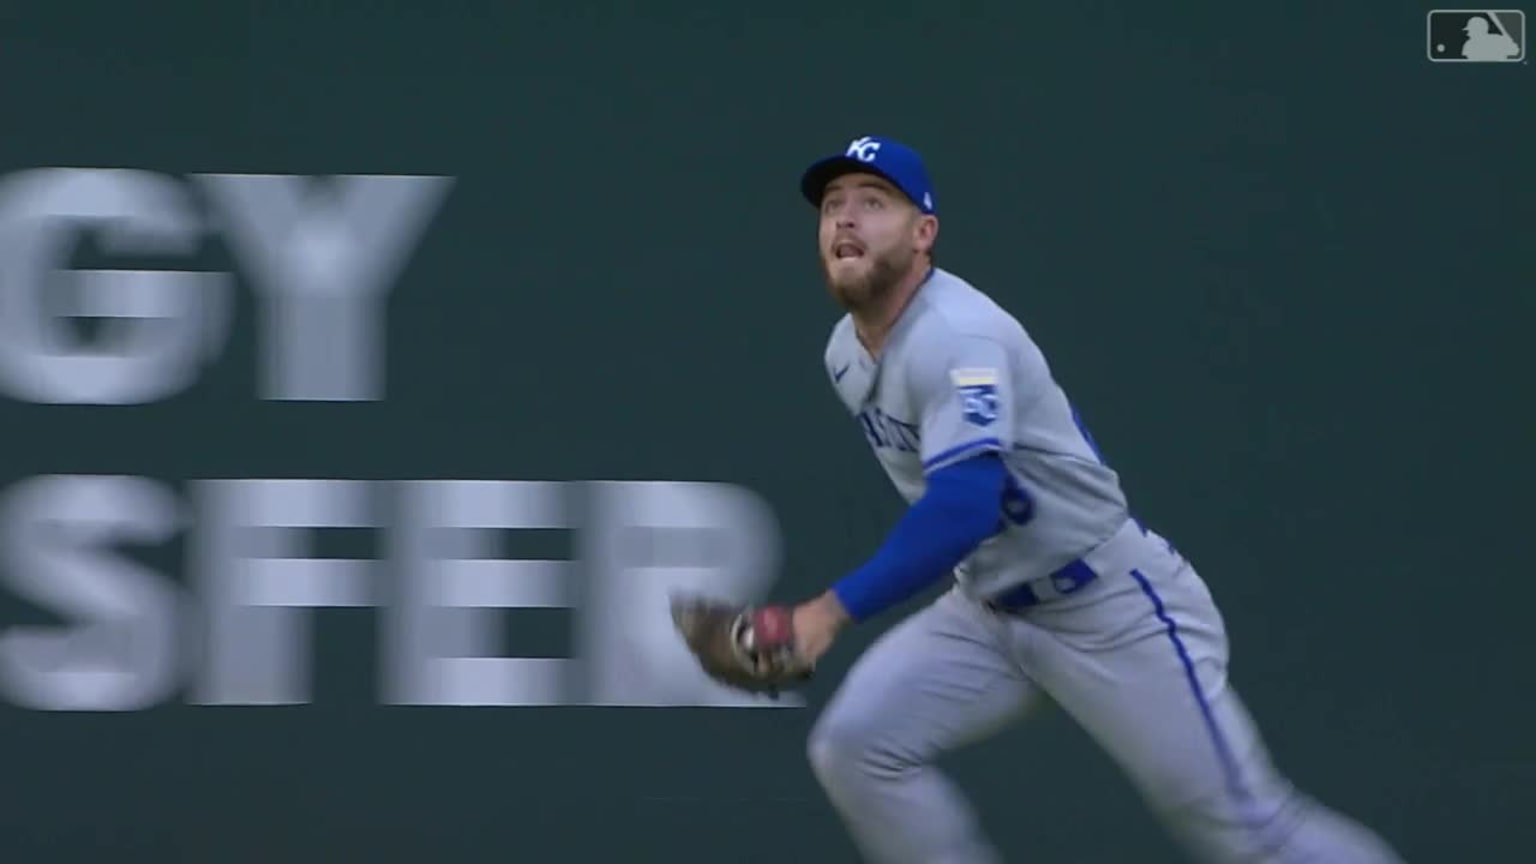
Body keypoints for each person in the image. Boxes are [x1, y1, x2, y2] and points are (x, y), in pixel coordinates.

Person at [784, 135, 1407, 863]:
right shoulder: (843, 351)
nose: (846, 220)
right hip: (986, 612)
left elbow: (965, 506)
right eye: (834, 206)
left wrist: (827, 612)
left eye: (873, 202)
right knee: (856, 747)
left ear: (924, 234)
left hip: (1107, 605)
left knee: (1249, 831)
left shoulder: (959, 336)